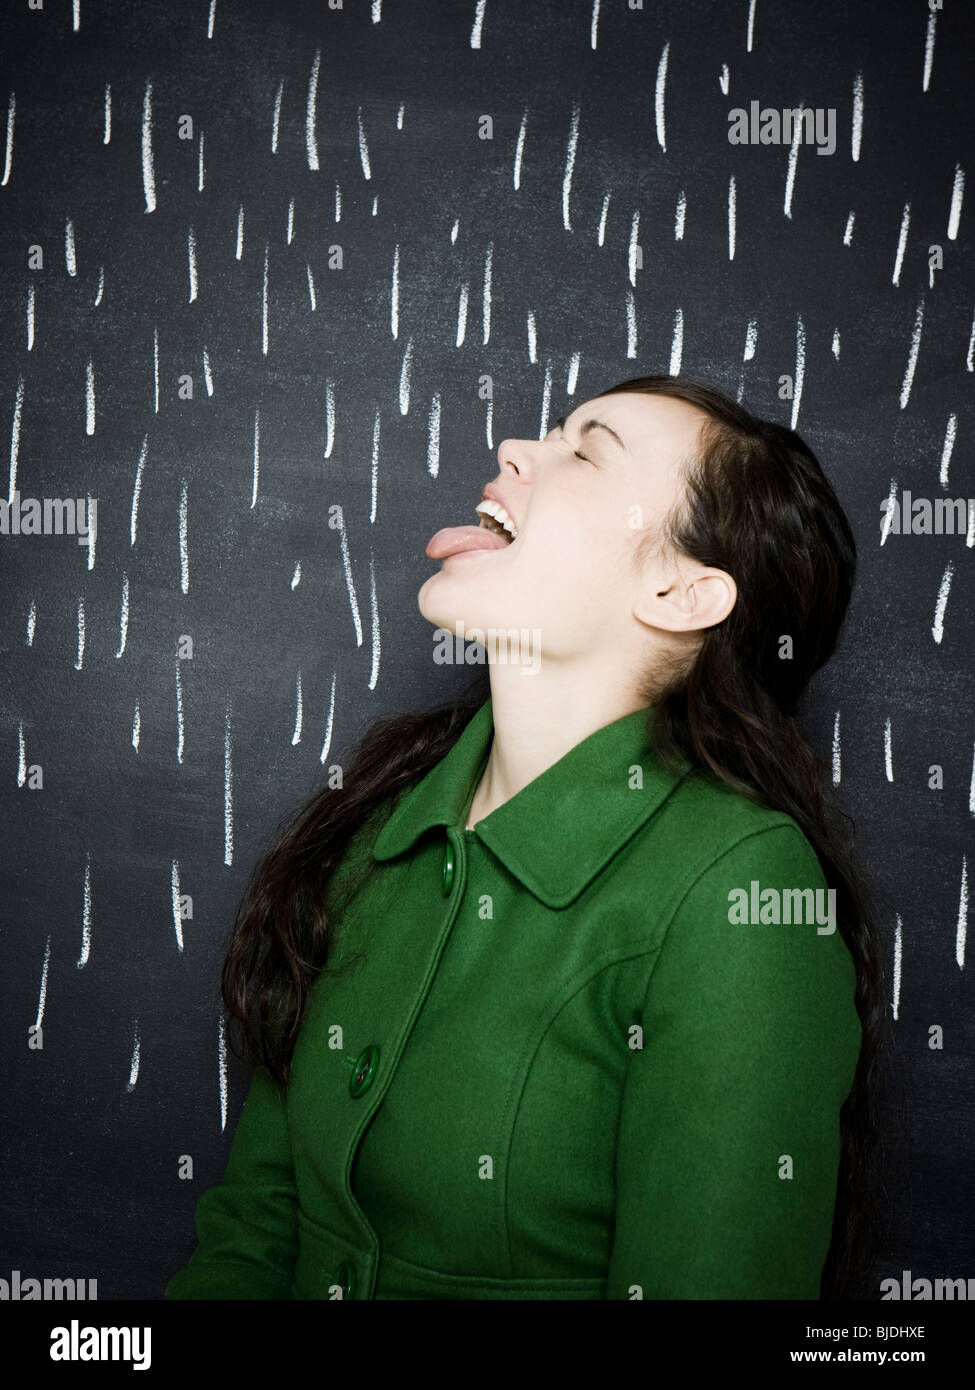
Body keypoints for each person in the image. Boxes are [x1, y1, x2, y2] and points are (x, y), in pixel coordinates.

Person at [165, 373, 886, 1301]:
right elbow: (257, 1230)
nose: (515, 449)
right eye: (550, 433)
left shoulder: (740, 897)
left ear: (680, 589)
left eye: (585, 451)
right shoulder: (375, 832)